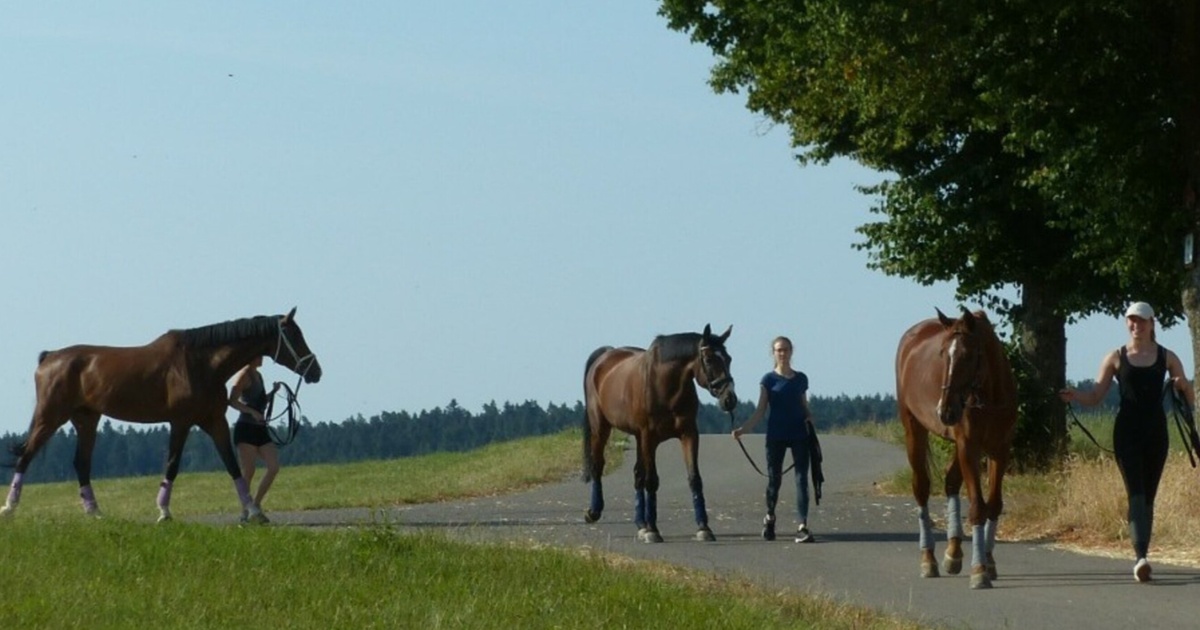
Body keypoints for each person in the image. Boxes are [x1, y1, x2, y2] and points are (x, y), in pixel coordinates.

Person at [1059, 301, 1193, 583]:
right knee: (1136, 491)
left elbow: (1190, 398)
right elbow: (1096, 394)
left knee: (1149, 496)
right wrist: (1075, 396)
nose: (1136, 325)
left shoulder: (1166, 356)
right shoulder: (1116, 357)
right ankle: (1141, 557)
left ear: (1152, 324)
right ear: (1126, 324)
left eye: (1142, 321)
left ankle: (1142, 551)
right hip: (1127, 432)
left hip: (1157, 433)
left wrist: (1182, 384)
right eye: (1132, 320)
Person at [732, 335, 816, 543]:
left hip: (799, 434)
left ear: (791, 352)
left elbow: (803, 404)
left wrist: (810, 419)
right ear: (773, 353)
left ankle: (802, 525)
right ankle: (770, 517)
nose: (783, 353)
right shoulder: (768, 380)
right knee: (774, 480)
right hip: (776, 435)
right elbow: (761, 411)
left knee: (801, 480)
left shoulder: (800, 379)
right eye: (779, 350)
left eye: (786, 349)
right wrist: (743, 429)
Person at [230, 356, 282, 523]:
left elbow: (259, 402)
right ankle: (244, 513)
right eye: (259, 356)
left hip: (260, 429)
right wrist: (251, 412)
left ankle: (256, 505)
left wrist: (272, 393)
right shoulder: (243, 375)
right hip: (246, 429)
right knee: (249, 472)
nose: (262, 359)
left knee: (273, 467)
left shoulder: (258, 375)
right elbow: (232, 400)